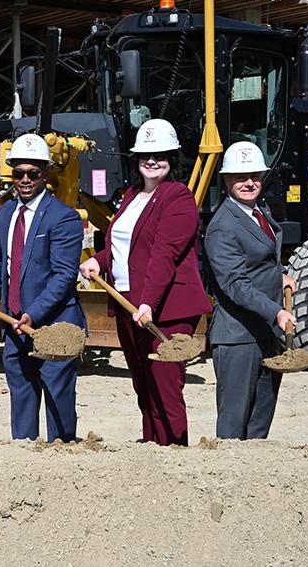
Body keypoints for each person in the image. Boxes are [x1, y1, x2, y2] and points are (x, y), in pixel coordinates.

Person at [78, 119, 211, 446]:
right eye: (145, 155)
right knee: (144, 387)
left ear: (173, 157)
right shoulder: (132, 195)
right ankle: (152, 451)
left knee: (166, 388)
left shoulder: (178, 198)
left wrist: (148, 303)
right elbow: (124, 246)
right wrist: (100, 259)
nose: (152, 161)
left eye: (161, 154)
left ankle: (175, 451)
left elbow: (163, 254)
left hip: (165, 311)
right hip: (128, 305)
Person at [0, 134, 86, 442]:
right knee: (21, 393)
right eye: (18, 173)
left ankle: (61, 452)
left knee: (57, 394)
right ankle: (24, 456)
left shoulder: (64, 218)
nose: (24, 180)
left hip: (52, 324)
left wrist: (33, 315)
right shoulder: (7, 213)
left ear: (46, 173)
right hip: (14, 323)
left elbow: (64, 276)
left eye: (32, 173)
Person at [203, 142, 296, 440]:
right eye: (240, 177)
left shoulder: (259, 210)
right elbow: (235, 284)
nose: (249, 183)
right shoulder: (222, 226)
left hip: (266, 331)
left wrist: (280, 275)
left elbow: (261, 258)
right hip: (238, 337)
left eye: (254, 175)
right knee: (234, 423)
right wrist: (277, 310)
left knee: (260, 419)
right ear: (227, 180)